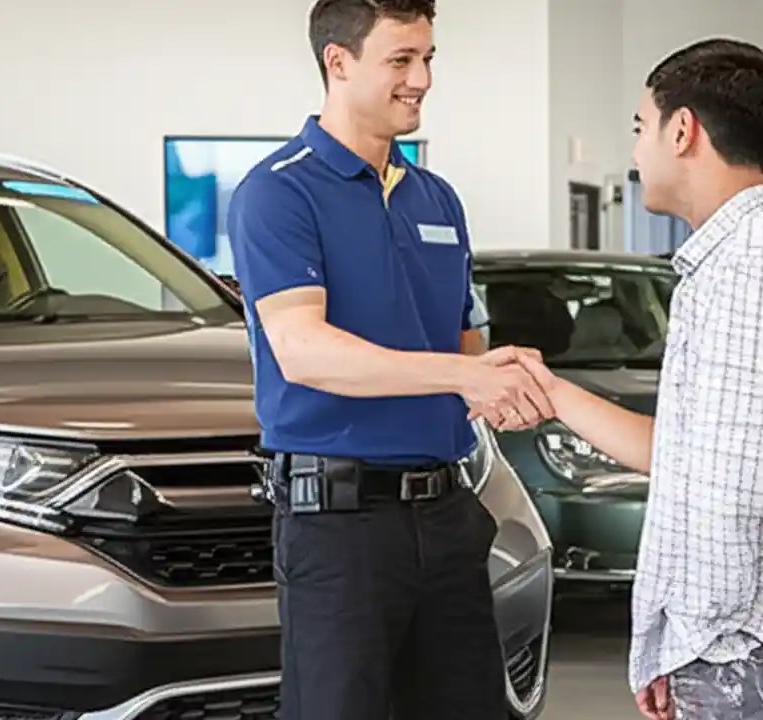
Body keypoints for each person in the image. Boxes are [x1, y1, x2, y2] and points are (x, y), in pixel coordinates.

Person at [226, 1, 553, 717]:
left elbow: (464, 343)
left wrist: (502, 383)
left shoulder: (437, 199)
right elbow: (303, 351)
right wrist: (463, 375)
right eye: (400, 60)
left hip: (447, 514)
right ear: (338, 62)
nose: (422, 79)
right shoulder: (278, 193)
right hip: (341, 529)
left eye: (428, 58)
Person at [511, 38, 763, 720]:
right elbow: (685, 455)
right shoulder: (735, 265)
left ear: (682, 129)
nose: (636, 152)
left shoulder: (756, 274)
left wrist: (690, 641)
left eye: (640, 127)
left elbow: (735, 493)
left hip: (742, 654)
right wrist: (554, 392)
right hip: (733, 652)